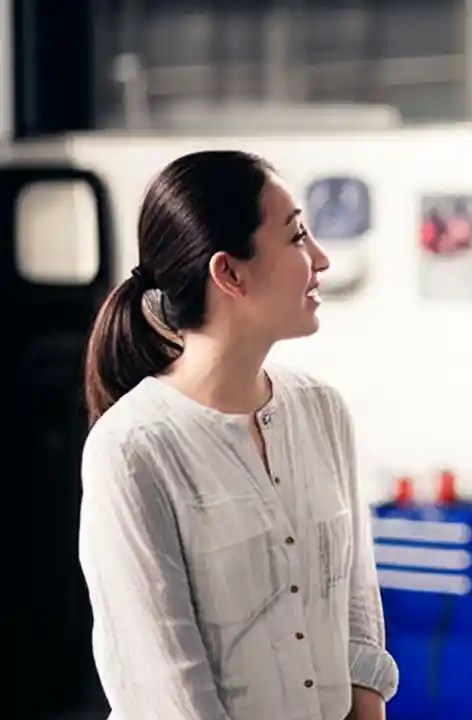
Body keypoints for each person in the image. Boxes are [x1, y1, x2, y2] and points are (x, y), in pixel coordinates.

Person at [78, 150, 399, 719]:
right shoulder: (131, 450)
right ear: (229, 273)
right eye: (297, 236)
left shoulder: (321, 410)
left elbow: (356, 606)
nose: (320, 259)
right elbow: (167, 690)